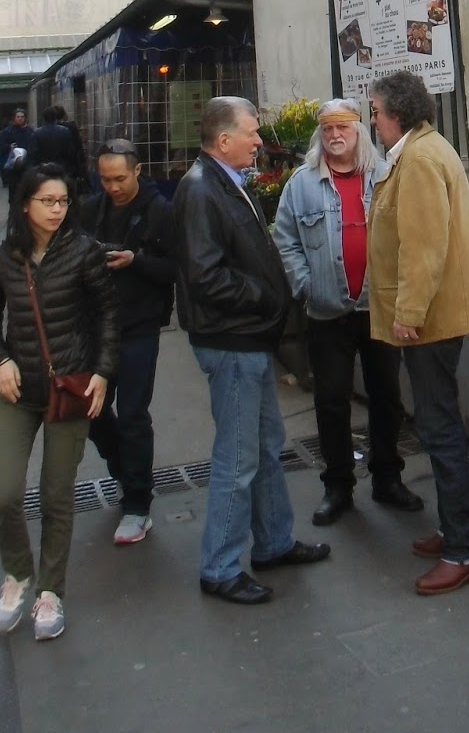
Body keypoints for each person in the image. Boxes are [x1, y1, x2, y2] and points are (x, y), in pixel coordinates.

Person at [173, 96, 331, 605]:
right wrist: (264, 296)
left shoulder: (221, 183)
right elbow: (205, 275)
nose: (259, 140)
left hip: (245, 339)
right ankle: (219, 567)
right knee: (238, 456)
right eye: (251, 132)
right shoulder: (201, 190)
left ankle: (273, 542)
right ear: (224, 141)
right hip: (231, 342)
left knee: (264, 444)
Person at [0, 162, 119, 642]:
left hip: (70, 388)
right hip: (18, 392)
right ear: (24, 206)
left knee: (58, 496)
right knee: (3, 493)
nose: (58, 211)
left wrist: (101, 372)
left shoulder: (84, 253)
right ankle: (17, 574)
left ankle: (51, 591)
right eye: (47, 202)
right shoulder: (4, 259)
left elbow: (107, 315)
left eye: (63, 202)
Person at [367, 71, 469, 598]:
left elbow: (423, 247)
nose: (372, 120)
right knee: (438, 426)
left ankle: (465, 549)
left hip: (431, 320)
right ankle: (453, 531)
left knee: (439, 430)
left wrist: (408, 312)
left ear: (396, 112)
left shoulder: (417, 159)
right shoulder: (425, 149)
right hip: (437, 316)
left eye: (375, 111)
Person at [273, 98, 423, 526]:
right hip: (327, 313)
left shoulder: (385, 176)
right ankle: (337, 485)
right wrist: (305, 285)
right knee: (331, 401)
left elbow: (407, 232)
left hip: (377, 309)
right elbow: (286, 240)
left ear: (359, 131)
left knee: (387, 397)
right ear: (320, 136)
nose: (335, 136)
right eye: (327, 130)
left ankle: (387, 478)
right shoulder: (301, 184)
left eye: (344, 128)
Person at [80, 139, 176, 546]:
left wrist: (136, 261)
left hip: (139, 326)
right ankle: (125, 470)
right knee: (90, 410)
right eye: (105, 179)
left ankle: (138, 502)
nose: (112, 187)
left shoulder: (160, 212)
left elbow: (176, 268)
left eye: (119, 178)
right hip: (96, 326)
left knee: (134, 413)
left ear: (137, 171)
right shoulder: (89, 209)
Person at [0, 107, 35, 205]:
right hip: (13, 167)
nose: (20, 119)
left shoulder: (30, 131)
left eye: (22, 117)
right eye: (18, 117)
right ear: (14, 118)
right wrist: (10, 147)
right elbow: (1, 147)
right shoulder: (7, 132)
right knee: (13, 192)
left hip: (27, 165)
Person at [32, 105, 78, 169]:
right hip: (62, 167)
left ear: (44, 118)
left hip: (44, 168)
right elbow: (71, 152)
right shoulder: (65, 131)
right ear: (55, 117)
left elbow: (35, 153)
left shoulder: (37, 133)